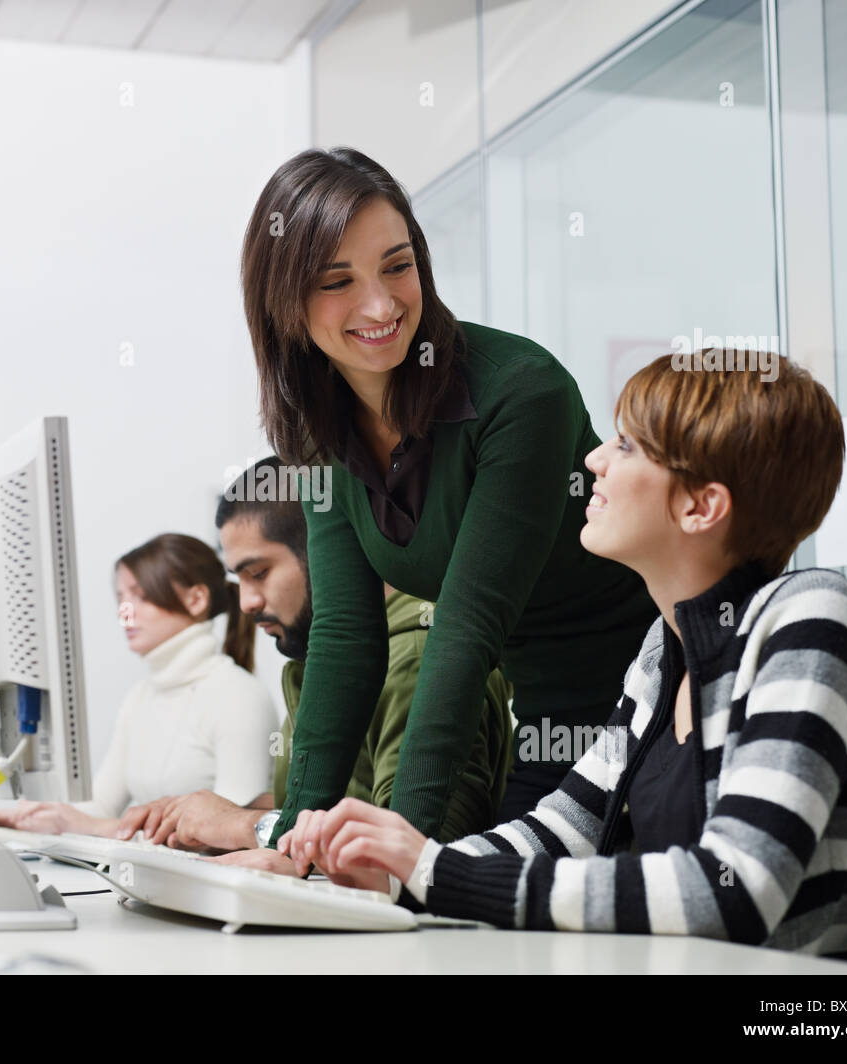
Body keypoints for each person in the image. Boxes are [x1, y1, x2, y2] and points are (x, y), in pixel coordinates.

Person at [277, 350, 847, 959]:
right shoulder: (662, 649)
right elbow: (565, 830)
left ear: (700, 506)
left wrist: (437, 874)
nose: (595, 459)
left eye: (627, 447)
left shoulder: (808, 616)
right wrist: (392, 871)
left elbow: (734, 889)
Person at [241, 147, 656, 839]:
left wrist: (403, 849)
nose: (381, 304)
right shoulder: (320, 434)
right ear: (283, 300)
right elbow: (346, 638)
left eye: (397, 266)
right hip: (545, 717)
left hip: (646, 707)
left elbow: (465, 632)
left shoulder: (521, 391)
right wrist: (292, 837)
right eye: (337, 280)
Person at [134, 457, 515, 853]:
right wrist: (199, 819)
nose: (245, 603)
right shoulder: (312, 664)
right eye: (238, 579)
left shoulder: (416, 659)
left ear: (327, 548)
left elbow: (421, 854)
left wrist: (250, 828)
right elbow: (320, 809)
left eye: (259, 573)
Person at [0, 532, 275, 839]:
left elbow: (234, 836)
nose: (125, 613)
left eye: (141, 595)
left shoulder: (240, 696)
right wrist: (23, 814)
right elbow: (101, 806)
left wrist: (96, 829)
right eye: (121, 598)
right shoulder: (140, 697)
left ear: (196, 599)